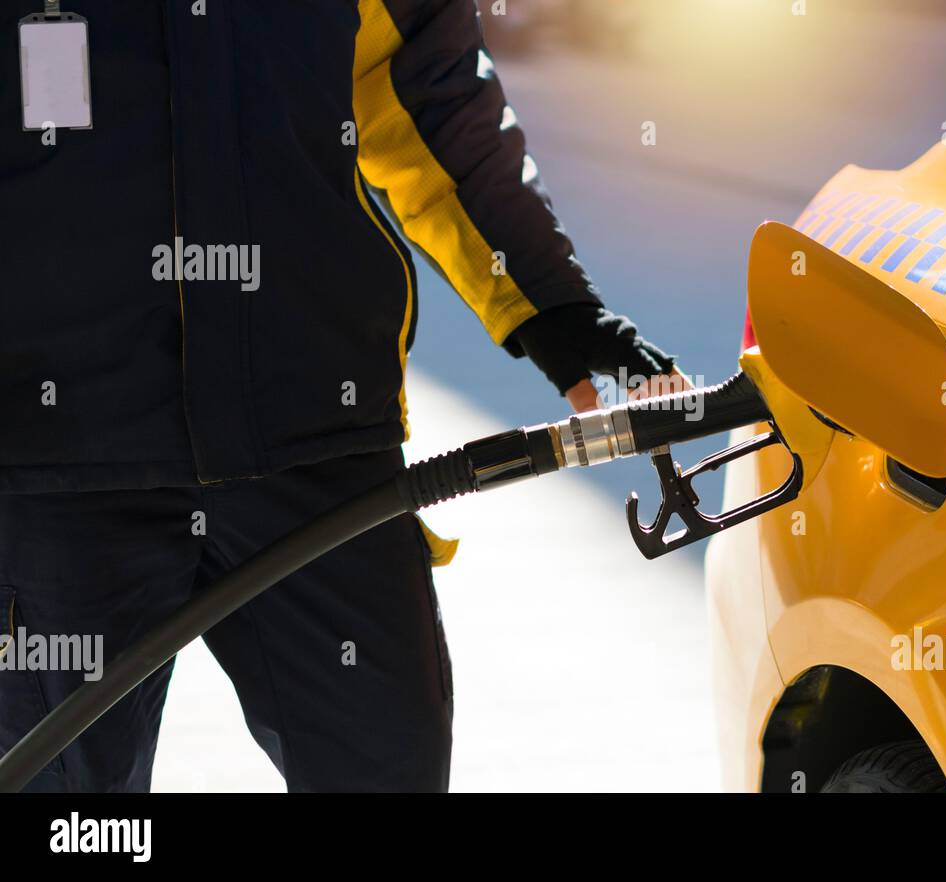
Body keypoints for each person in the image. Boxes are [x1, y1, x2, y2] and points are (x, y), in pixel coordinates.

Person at [0, 0, 683, 792]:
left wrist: (550, 301)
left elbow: (422, 91)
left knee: (385, 769)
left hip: (313, 430)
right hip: (52, 460)